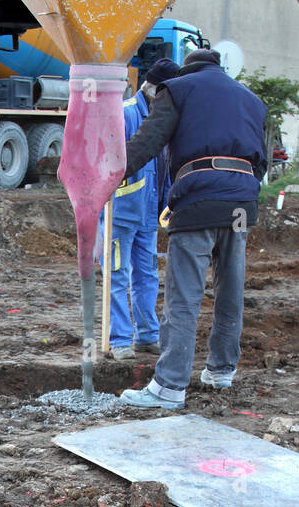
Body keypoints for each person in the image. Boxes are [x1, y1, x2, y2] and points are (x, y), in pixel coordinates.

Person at [114, 48, 268, 410]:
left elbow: (148, 142)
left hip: (198, 199)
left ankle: (169, 387)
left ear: (186, 70)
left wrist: (110, 175)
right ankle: (221, 370)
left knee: (184, 296)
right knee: (230, 290)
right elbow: (261, 159)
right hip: (241, 204)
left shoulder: (177, 89)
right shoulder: (251, 99)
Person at [101, 57, 180, 360]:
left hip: (148, 213)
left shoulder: (163, 118)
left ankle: (146, 336)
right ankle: (119, 339)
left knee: (146, 274)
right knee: (118, 273)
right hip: (122, 211)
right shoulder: (126, 115)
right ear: (157, 91)